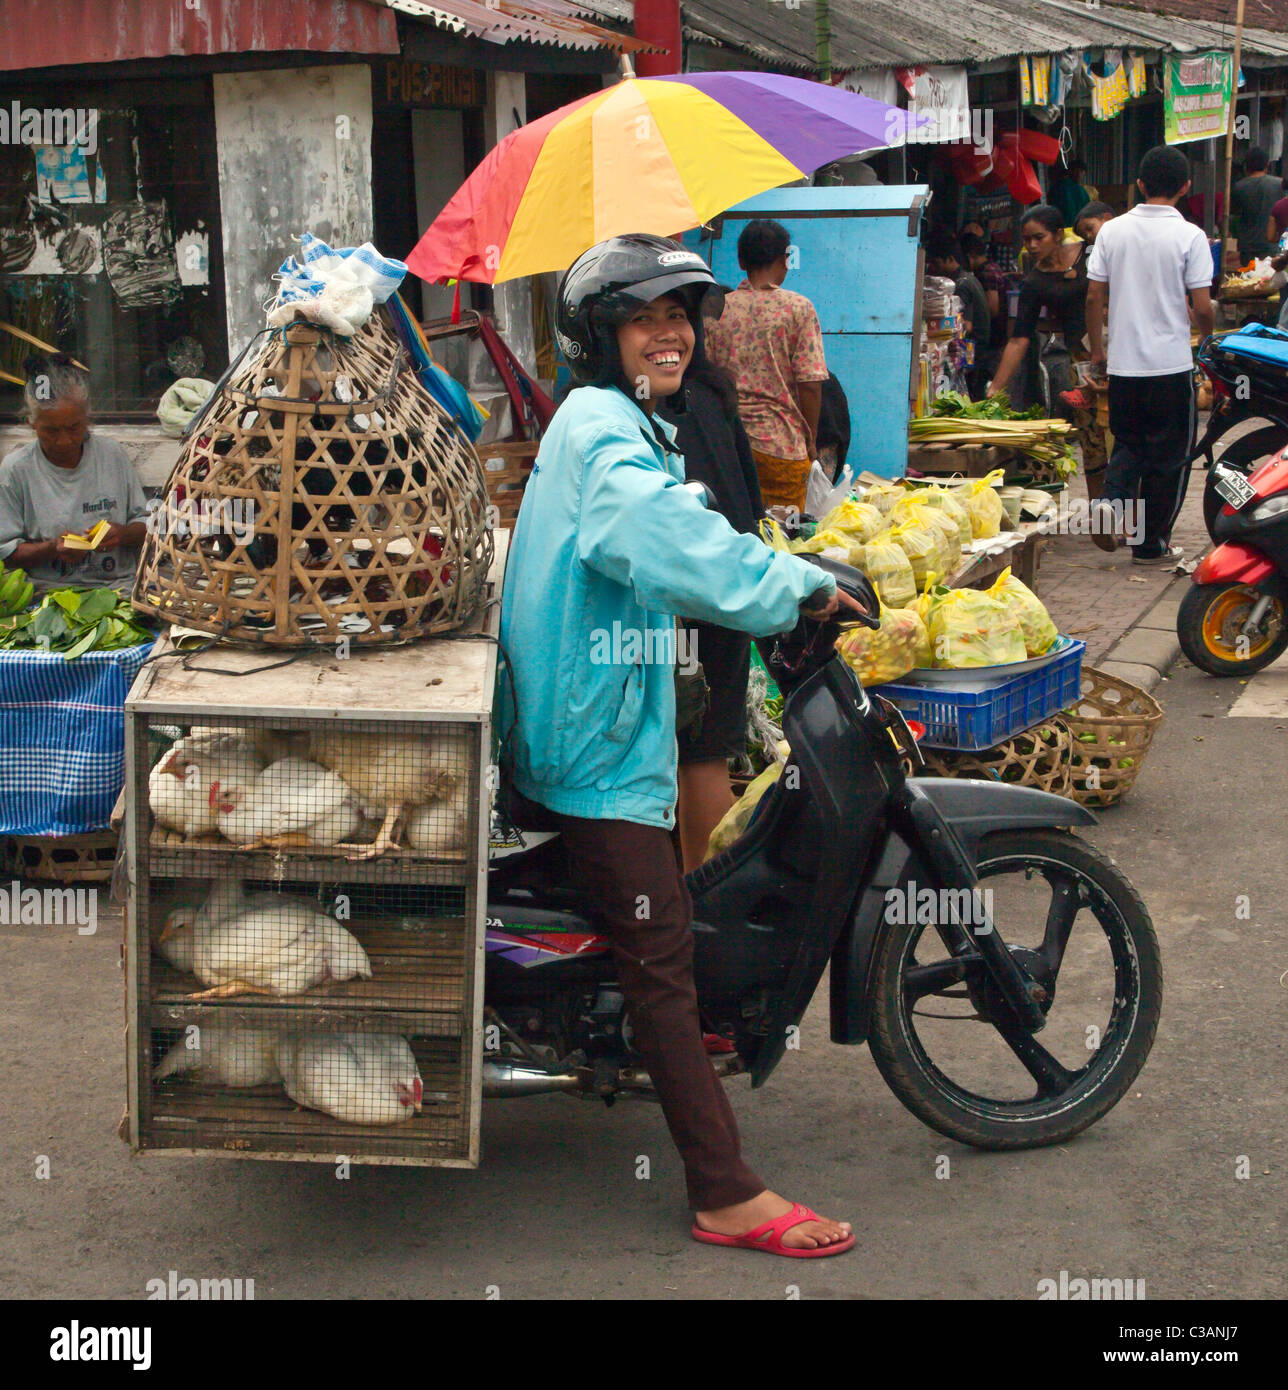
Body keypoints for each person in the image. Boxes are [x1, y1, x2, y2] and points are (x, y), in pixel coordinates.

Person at [501, 233, 862, 1256]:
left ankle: (596, 1040)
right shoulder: (607, 432)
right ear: (597, 334)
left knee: (630, 922)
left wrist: (760, 553)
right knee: (660, 954)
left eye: (679, 315)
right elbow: (655, 539)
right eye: (643, 317)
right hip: (595, 739)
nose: (668, 333)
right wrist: (791, 586)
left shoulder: (619, 423)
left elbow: (677, 522)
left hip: (599, 718)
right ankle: (723, 1188)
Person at [657, 330, 764, 873]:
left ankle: (706, 900)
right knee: (701, 757)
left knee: (696, 759)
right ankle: (699, 897)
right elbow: (752, 497)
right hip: (727, 592)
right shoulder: (710, 394)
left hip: (690, 601)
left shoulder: (653, 410)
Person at [1086, 144, 1215, 565]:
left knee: (1129, 444)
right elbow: (1202, 305)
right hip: (1171, 365)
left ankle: (1111, 500)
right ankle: (1150, 542)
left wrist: (1099, 352)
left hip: (1124, 364)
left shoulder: (1111, 230)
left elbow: (1093, 296)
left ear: (1139, 184)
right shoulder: (1190, 236)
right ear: (1186, 186)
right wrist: (1207, 339)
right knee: (1170, 460)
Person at [703, 219, 828, 516]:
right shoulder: (798, 309)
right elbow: (810, 383)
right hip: (781, 447)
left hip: (729, 445)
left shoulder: (717, 309)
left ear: (741, 261)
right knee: (784, 537)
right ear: (783, 260)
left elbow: (705, 379)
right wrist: (810, 437)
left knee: (738, 527)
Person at [0, 355, 149, 592]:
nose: (64, 440)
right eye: (51, 430)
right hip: (48, 593)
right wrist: (52, 549)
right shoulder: (17, 469)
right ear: (32, 423)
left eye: (74, 427)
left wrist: (121, 534)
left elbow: (145, 523)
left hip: (118, 588)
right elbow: (6, 552)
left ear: (87, 418)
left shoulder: (111, 455)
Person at [986, 204, 1088, 408]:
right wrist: (995, 388)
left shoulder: (1088, 254)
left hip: (1116, 346)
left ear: (1058, 234)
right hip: (1082, 358)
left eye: (1039, 237)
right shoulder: (1035, 282)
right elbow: (1018, 339)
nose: (1032, 245)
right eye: (1026, 239)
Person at [925, 231, 990, 397]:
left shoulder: (960, 285)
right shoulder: (969, 278)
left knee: (966, 395)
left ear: (950, 259)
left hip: (972, 352)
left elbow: (965, 325)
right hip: (979, 351)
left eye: (937, 263)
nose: (934, 269)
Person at [1231, 146, 1281, 263]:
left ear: (1247, 166)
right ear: (1267, 165)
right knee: (1270, 280)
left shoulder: (1239, 187)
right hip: (1272, 246)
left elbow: (1234, 214)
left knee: (1248, 279)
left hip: (1247, 247)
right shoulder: (1279, 185)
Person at [1051, 159, 1092, 230]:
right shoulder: (1062, 187)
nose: (1078, 173)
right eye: (1076, 170)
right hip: (1068, 228)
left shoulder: (1083, 190)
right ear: (1069, 171)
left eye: (1081, 171)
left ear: (1084, 173)